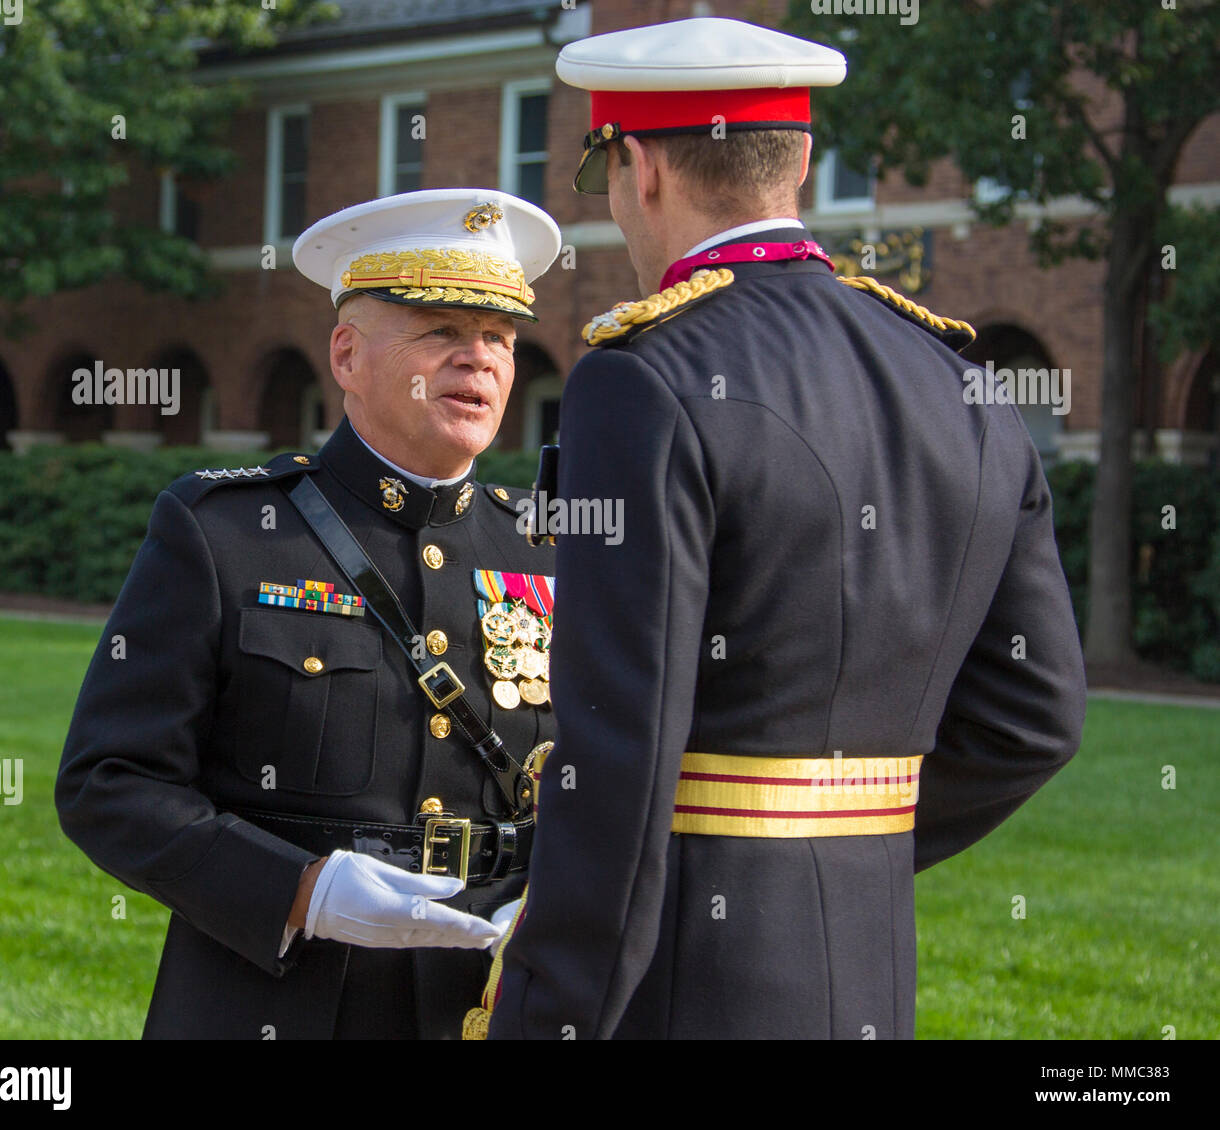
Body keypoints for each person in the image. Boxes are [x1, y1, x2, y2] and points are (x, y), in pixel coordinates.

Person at [483, 19, 1086, 1040]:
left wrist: (542, 1018)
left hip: (679, 985)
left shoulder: (642, 379)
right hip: (863, 967)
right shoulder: (963, 382)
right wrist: (834, 847)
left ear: (639, 166)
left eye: (606, 169)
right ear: (799, 159)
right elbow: (1034, 716)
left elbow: (618, 764)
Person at [56, 188, 561, 1039]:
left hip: (484, 1000)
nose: (480, 362)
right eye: (441, 332)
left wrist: (555, 900)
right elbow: (108, 783)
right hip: (284, 999)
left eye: (501, 340)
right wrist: (301, 892)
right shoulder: (226, 533)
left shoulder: (544, 550)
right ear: (347, 353)